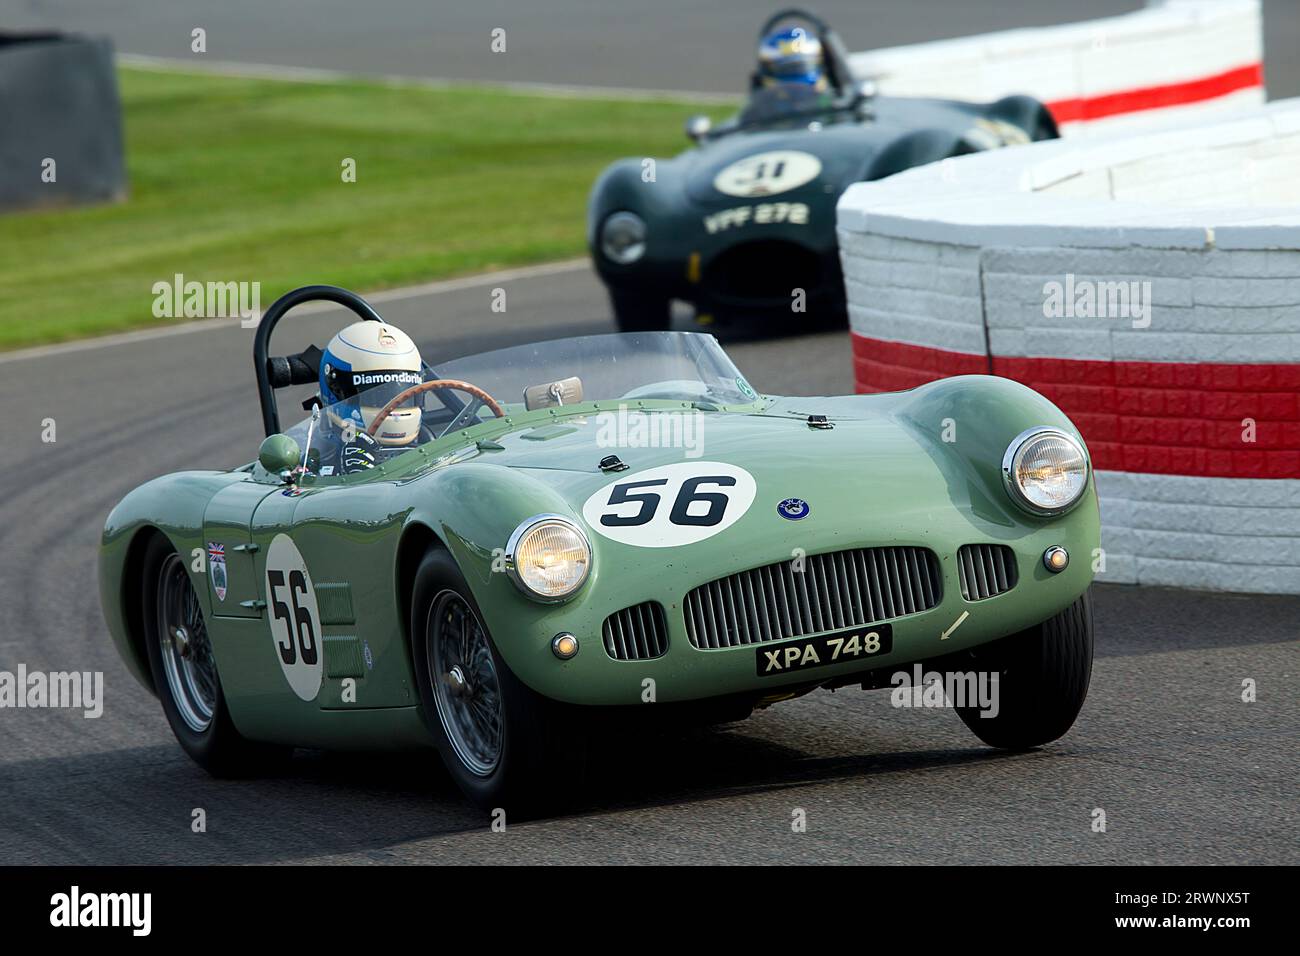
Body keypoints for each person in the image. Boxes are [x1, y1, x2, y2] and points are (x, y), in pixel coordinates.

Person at [316, 321, 425, 474]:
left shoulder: (432, 442)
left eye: (401, 392)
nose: (393, 405)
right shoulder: (317, 457)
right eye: (376, 395)